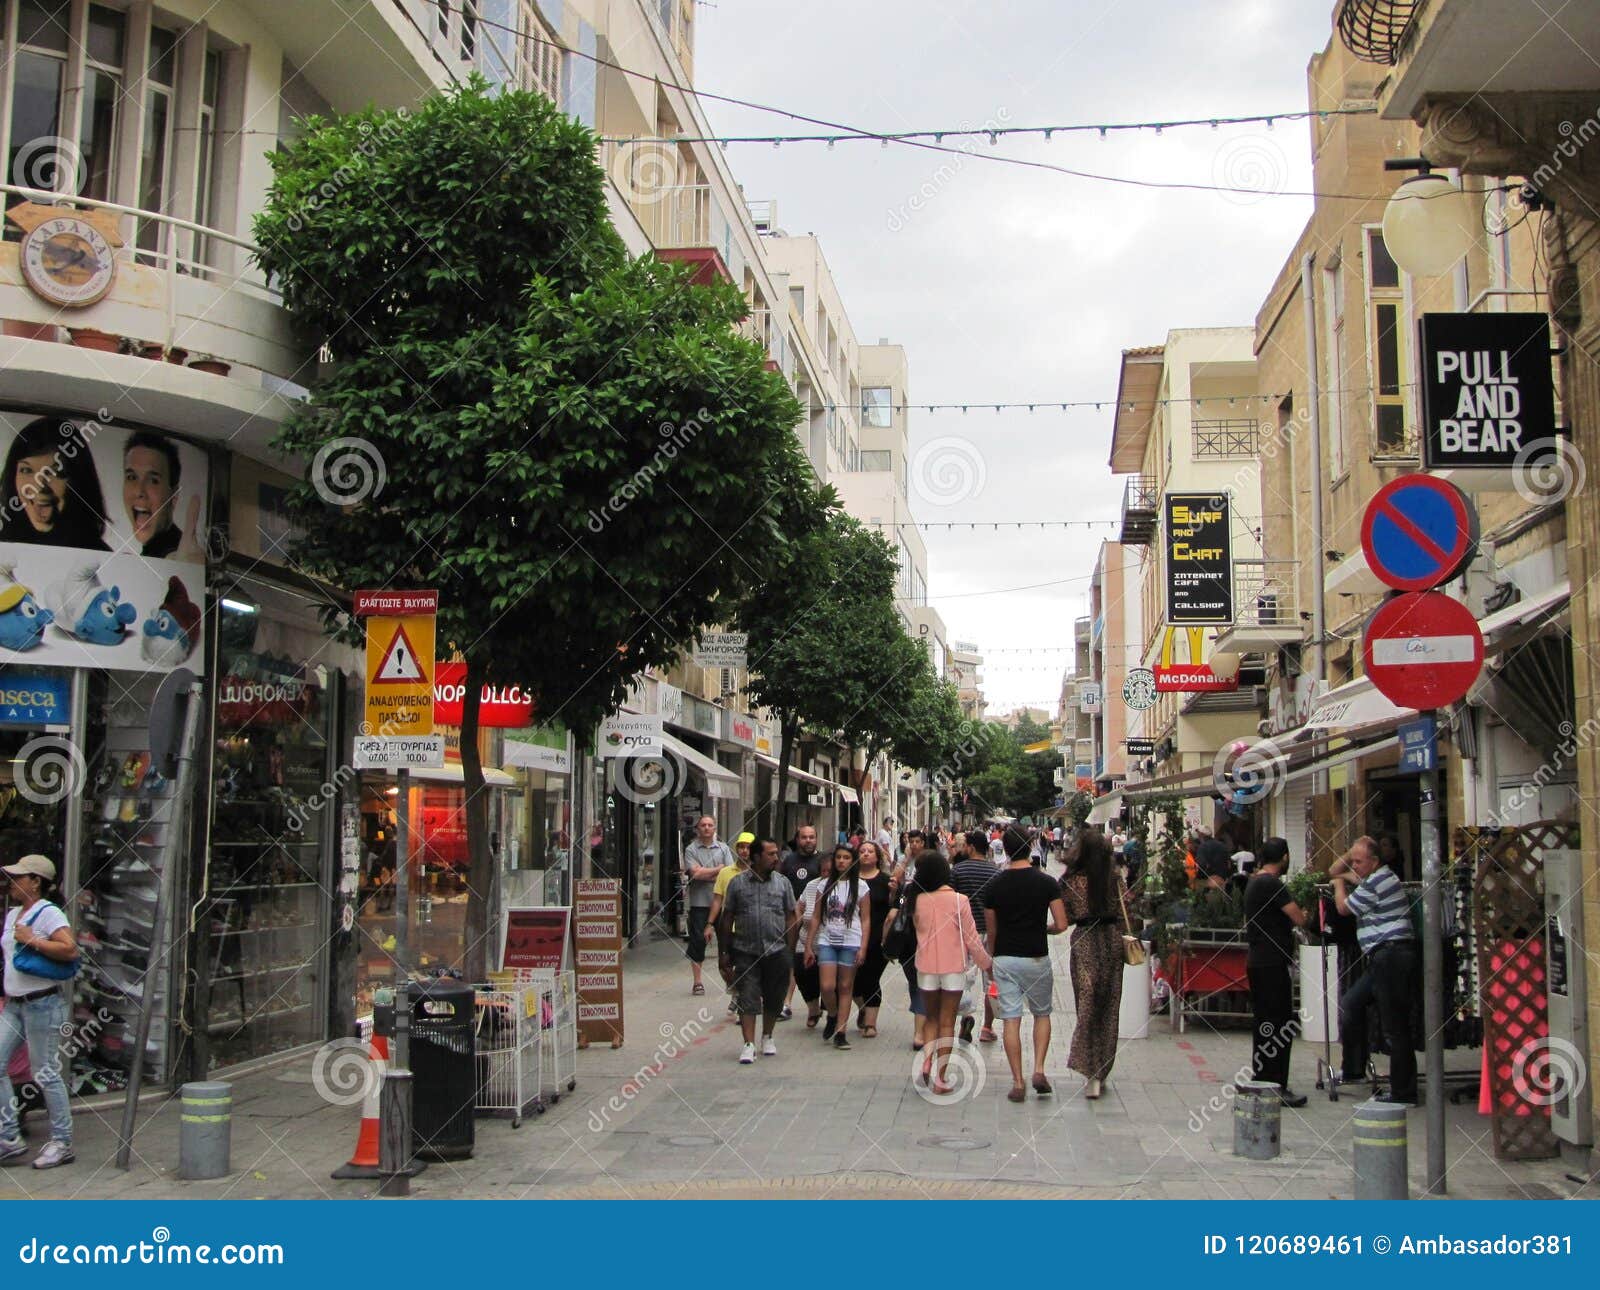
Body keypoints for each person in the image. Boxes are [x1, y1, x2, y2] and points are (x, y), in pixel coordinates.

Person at [1330, 834, 1418, 1104]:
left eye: (1359, 861)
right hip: (1381, 957)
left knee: (1395, 1027)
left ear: (1375, 861)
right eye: (1353, 861)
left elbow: (1343, 908)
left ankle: (1404, 1092)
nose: (1354, 866)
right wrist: (1351, 854)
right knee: (1352, 1003)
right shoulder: (1372, 877)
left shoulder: (1379, 880)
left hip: (1390, 956)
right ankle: (1355, 1067)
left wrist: (1337, 886)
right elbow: (1334, 869)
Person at [0, 855, 76, 1168]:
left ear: (36, 882)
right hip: (15, 1004)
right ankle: (8, 1137)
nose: (12, 883)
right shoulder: (13, 913)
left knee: (45, 1073)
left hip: (42, 1004)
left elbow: (69, 948)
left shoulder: (48, 913)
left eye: (19, 877)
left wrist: (31, 939)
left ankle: (62, 1142)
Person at [985, 825, 1068, 1102]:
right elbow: (1062, 924)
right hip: (1036, 956)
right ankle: (1040, 1069)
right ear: (1032, 844)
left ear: (1004, 849)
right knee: (1042, 1013)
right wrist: (1044, 929)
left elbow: (992, 931)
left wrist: (990, 959)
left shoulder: (995, 885)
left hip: (1006, 958)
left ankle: (1017, 1081)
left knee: (1011, 1018)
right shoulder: (1047, 883)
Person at [910, 853, 992, 1096]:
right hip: (953, 968)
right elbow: (972, 940)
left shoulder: (917, 900)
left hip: (925, 966)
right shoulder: (959, 901)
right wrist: (987, 964)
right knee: (948, 1021)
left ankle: (927, 1059)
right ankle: (941, 1077)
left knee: (931, 1017)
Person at [1059, 829, 1127, 1099]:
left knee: (1087, 1002)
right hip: (1112, 941)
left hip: (1085, 940)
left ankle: (1089, 1068)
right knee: (1109, 1006)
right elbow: (1125, 911)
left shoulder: (1071, 880)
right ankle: (1101, 1069)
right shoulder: (1114, 879)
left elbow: (1067, 916)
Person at [718, 837, 798, 1064]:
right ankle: (748, 1044)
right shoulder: (737, 884)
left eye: (777, 853)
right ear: (756, 857)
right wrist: (724, 952)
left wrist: (790, 951)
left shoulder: (783, 883)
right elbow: (727, 917)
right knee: (748, 996)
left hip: (777, 951)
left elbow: (791, 915)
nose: (776, 858)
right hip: (745, 950)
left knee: (774, 997)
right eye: (771, 854)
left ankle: (768, 1036)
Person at [1242, 838, 1308, 1106]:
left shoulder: (1254, 883)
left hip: (1258, 961)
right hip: (1272, 964)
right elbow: (1299, 918)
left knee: (1265, 1023)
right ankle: (1276, 1083)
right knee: (1280, 1024)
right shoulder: (1271, 884)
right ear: (1284, 857)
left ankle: (1263, 1078)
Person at [0, 417, 109, 549]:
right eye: (27, 470)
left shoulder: (98, 554)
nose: (39, 486)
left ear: (78, 480)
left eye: (56, 473)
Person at [804, 845, 869, 1050]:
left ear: (853, 861)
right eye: (838, 857)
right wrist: (808, 945)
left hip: (851, 940)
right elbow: (815, 916)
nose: (841, 861)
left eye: (846, 858)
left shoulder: (861, 886)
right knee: (827, 986)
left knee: (845, 987)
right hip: (827, 940)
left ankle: (841, 1031)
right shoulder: (825, 885)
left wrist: (863, 947)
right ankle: (832, 1014)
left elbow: (866, 920)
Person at [950, 828, 1001, 1043]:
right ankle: (987, 1028)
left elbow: (951, 903)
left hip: (964, 933)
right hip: (990, 933)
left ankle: (967, 1015)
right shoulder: (996, 873)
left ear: (970, 847)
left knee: (964, 978)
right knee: (991, 981)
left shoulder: (958, 871)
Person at [122, 431, 202, 560]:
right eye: (132, 477)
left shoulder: (174, 554)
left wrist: (187, 572)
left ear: (174, 496)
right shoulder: (149, 553)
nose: (139, 491)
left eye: (153, 480)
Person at [681, 816, 732, 997]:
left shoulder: (724, 848)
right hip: (699, 903)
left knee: (727, 943)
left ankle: (730, 982)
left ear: (715, 828)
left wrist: (706, 872)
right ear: (698, 828)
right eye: (703, 825)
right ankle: (697, 982)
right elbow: (695, 874)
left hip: (723, 904)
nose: (707, 828)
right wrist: (717, 870)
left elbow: (728, 874)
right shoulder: (691, 849)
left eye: (710, 825)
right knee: (697, 941)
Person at [707, 832, 755, 1015]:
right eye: (741, 847)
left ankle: (743, 1000)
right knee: (724, 965)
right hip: (727, 927)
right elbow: (718, 900)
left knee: (745, 966)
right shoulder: (725, 873)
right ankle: (735, 992)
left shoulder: (758, 873)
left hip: (749, 927)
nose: (744, 851)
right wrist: (710, 923)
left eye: (748, 847)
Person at [852, 840, 891, 1038]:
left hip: (877, 939)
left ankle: (870, 1024)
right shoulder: (849, 880)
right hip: (851, 938)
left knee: (871, 979)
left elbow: (896, 904)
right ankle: (863, 1007)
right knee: (852, 983)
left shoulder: (885, 881)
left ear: (877, 856)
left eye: (870, 851)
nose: (866, 854)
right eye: (862, 851)